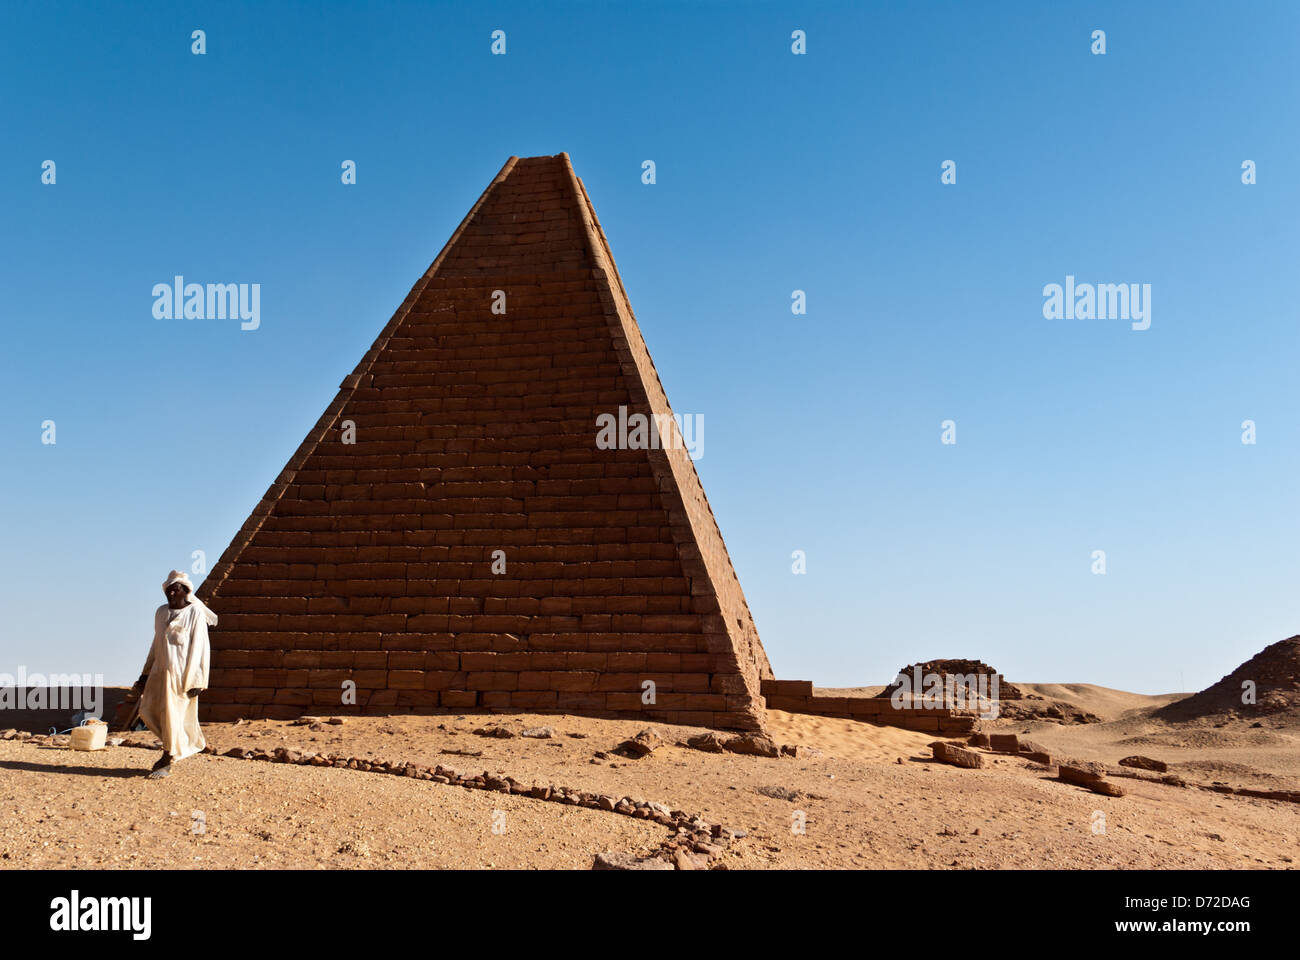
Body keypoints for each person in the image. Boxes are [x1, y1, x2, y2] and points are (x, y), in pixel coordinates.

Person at [134, 570, 215, 779]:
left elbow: (201, 648)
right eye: (168, 590)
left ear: (185, 591)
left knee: (172, 717)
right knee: (147, 710)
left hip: (181, 676)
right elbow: (155, 644)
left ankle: (168, 758)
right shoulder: (161, 612)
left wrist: (199, 679)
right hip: (159, 672)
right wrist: (144, 675)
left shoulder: (194, 613)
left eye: (175, 590)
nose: (171, 594)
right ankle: (172, 748)